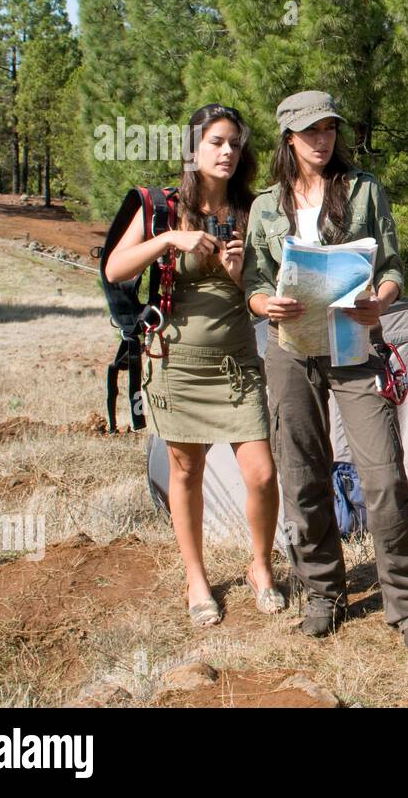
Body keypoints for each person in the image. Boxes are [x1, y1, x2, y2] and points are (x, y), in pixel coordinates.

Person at [242, 90, 408, 653]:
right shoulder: (264, 206)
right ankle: (323, 590)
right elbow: (255, 279)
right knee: (302, 476)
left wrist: (384, 298)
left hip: (355, 343)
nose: (322, 140)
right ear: (288, 139)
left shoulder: (364, 189)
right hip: (290, 347)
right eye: (310, 132)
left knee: (383, 477)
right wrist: (263, 305)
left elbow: (393, 263)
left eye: (329, 129)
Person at [104, 103, 282, 627]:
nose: (227, 152)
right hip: (176, 363)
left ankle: (261, 566)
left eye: (234, 143)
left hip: (236, 364)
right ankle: (196, 577)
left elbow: (265, 288)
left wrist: (236, 273)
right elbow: (115, 267)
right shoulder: (161, 206)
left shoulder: (253, 210)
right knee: (186, 469)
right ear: (193, 149)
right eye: (216, 142)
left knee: (262, 473)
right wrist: (169, 239)